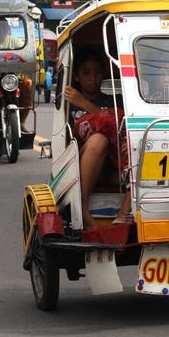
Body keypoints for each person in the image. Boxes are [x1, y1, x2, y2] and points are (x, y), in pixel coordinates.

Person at [64, 49, 132, 229]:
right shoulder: (68, 103)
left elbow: (118, 124)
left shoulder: (115, 101)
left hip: (115, 166)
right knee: (98, 140)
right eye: (86, 73)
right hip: (84, 165)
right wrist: (79, 102)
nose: (93, 78)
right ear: (77, 76)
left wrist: (85, 104)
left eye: (97, 73)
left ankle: (124, 214)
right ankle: (84, 212)